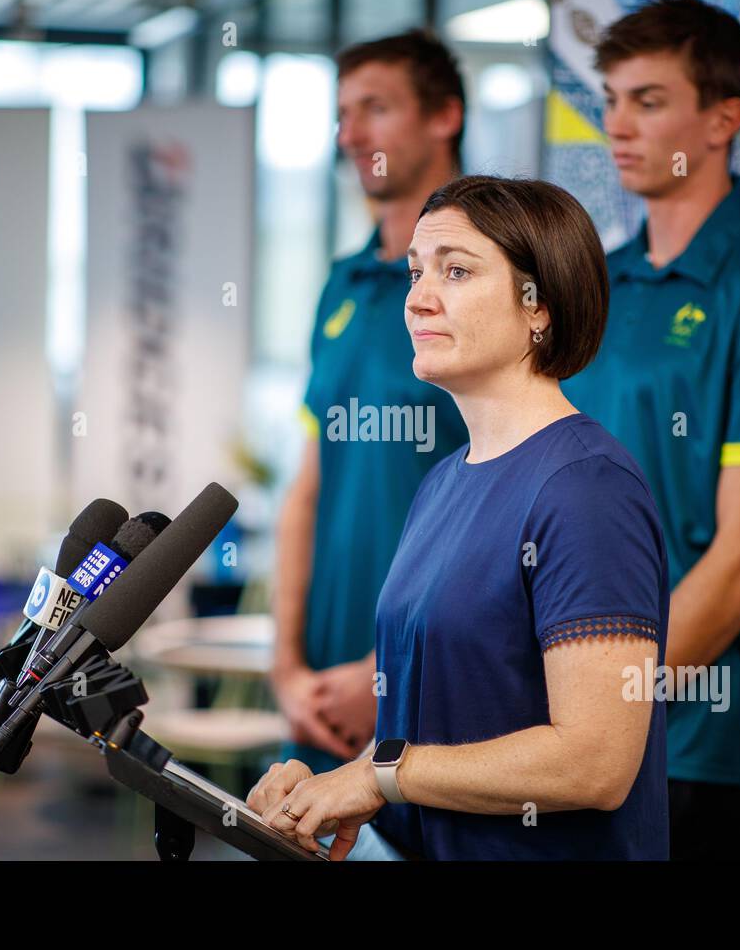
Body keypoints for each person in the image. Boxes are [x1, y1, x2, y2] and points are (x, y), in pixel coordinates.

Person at [248, 176, 671, 861]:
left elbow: (596, 762)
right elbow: (440, 726)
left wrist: (379, 775)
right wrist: (330, 786)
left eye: (456, 271)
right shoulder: (444, 482)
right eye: (416, 272)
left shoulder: (588, 489)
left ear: (540, 306)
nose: (418, 297)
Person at [561, 0, 740, 860]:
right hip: (574, 722)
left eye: (647, 101)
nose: (616, 125)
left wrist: (601, 702)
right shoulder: (597, 282)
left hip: (707, 738)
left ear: (723, 119)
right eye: (611, 100)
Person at [271, 30, 470, 776]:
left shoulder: (485, 286)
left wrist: (387, 669)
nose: (349, 135)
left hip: (434, 679)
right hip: (322, 687)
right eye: (343, 114)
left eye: (375, 109)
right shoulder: (342, 283)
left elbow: (507, 506)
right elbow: (306, 487)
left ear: (444, 115)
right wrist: (286, 663)